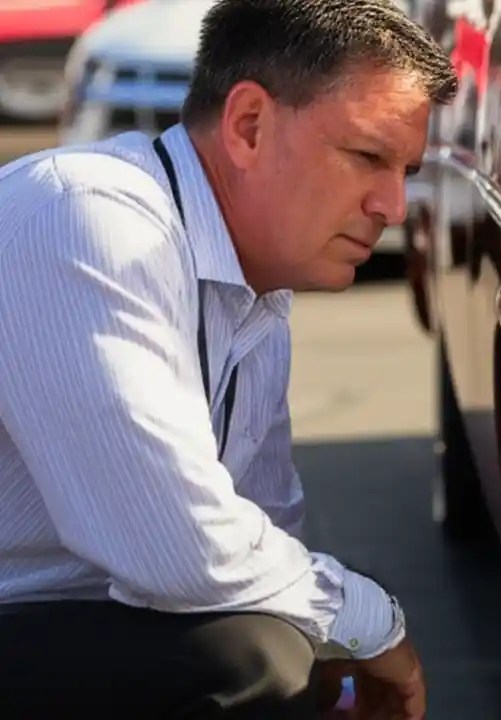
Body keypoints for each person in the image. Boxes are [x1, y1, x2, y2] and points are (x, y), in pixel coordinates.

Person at [0, 0, 456, 717]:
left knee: (285, 643)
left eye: (405, 170)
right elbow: (182, 552)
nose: (393, 207)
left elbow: (264, 539)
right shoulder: (87, 221)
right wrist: (376, 627)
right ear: (249, 125)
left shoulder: (252, 294)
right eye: (368, 157)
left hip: (54, 625)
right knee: (254, 659)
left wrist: (333, 671)